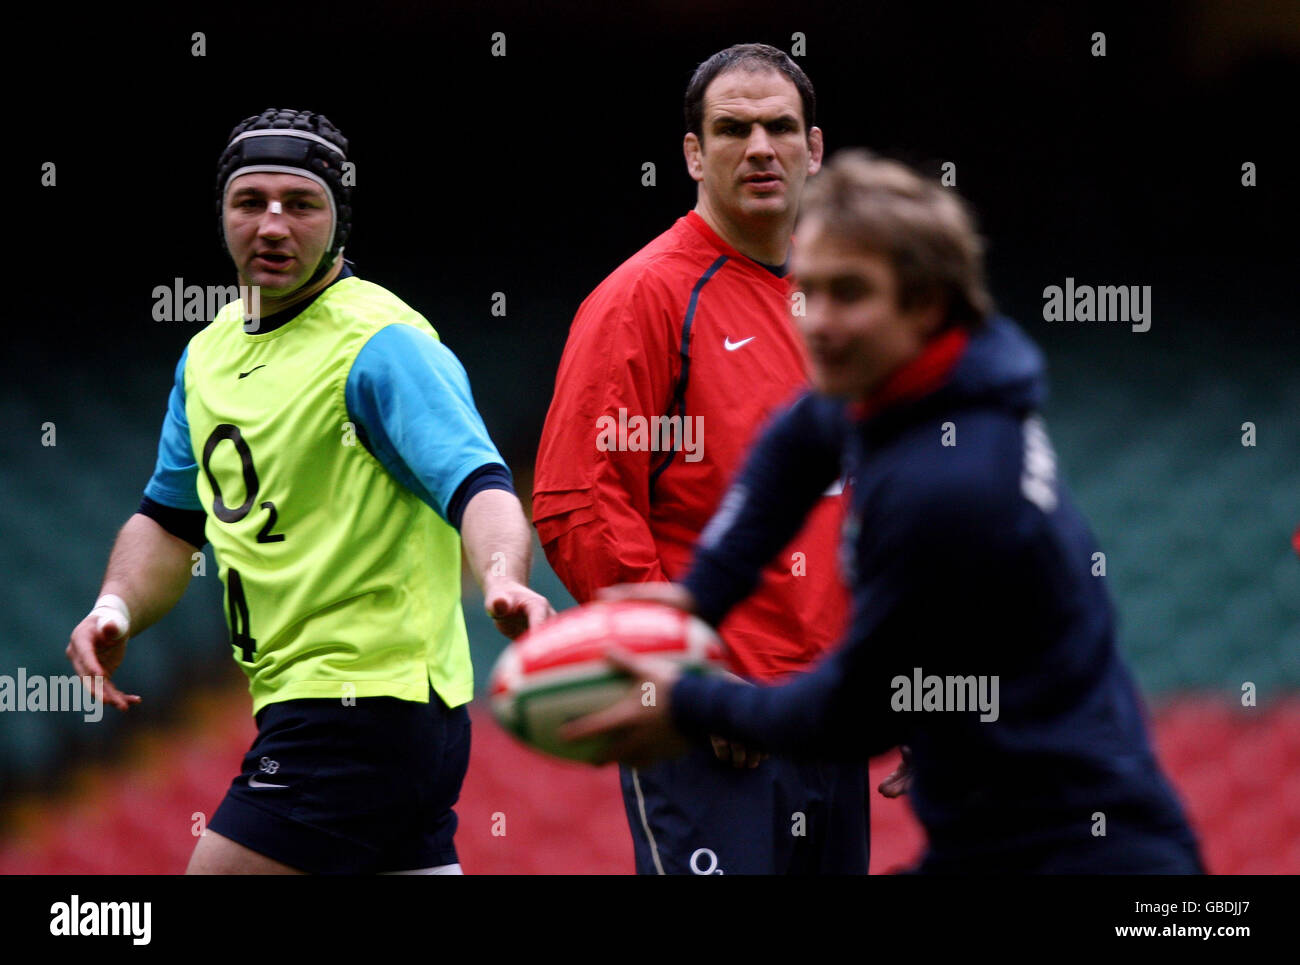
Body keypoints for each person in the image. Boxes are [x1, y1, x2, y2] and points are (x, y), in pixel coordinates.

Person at [568, 151, 1206, 874]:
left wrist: (691, 705)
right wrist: (699, 597)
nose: (820, 321)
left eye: (851, 293)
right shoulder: (925, 380)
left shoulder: (951, 481)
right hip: (992, 841)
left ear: (925, 303)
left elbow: (853, 711)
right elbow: (801, 437)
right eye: (808, 291)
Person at [65, 108, 554, 875]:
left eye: (301, 204)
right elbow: (167, 518)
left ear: (338, 220)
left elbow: (479, 481)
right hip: (328, 709)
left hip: (360, 706)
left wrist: (501, 576)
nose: (272, 224)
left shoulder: (382, 343)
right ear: (222, 215)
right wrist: (114, 606)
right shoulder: (206, 356)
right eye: (249, 201)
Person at [533, 45, 874, 875]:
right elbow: (578, 501)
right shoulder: (645, 297)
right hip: (714, 725)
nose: (760, 147)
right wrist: (688, 674)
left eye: (780, 127)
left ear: (815, 148)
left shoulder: (840, 307)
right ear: (692, 154)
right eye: (732, 129)